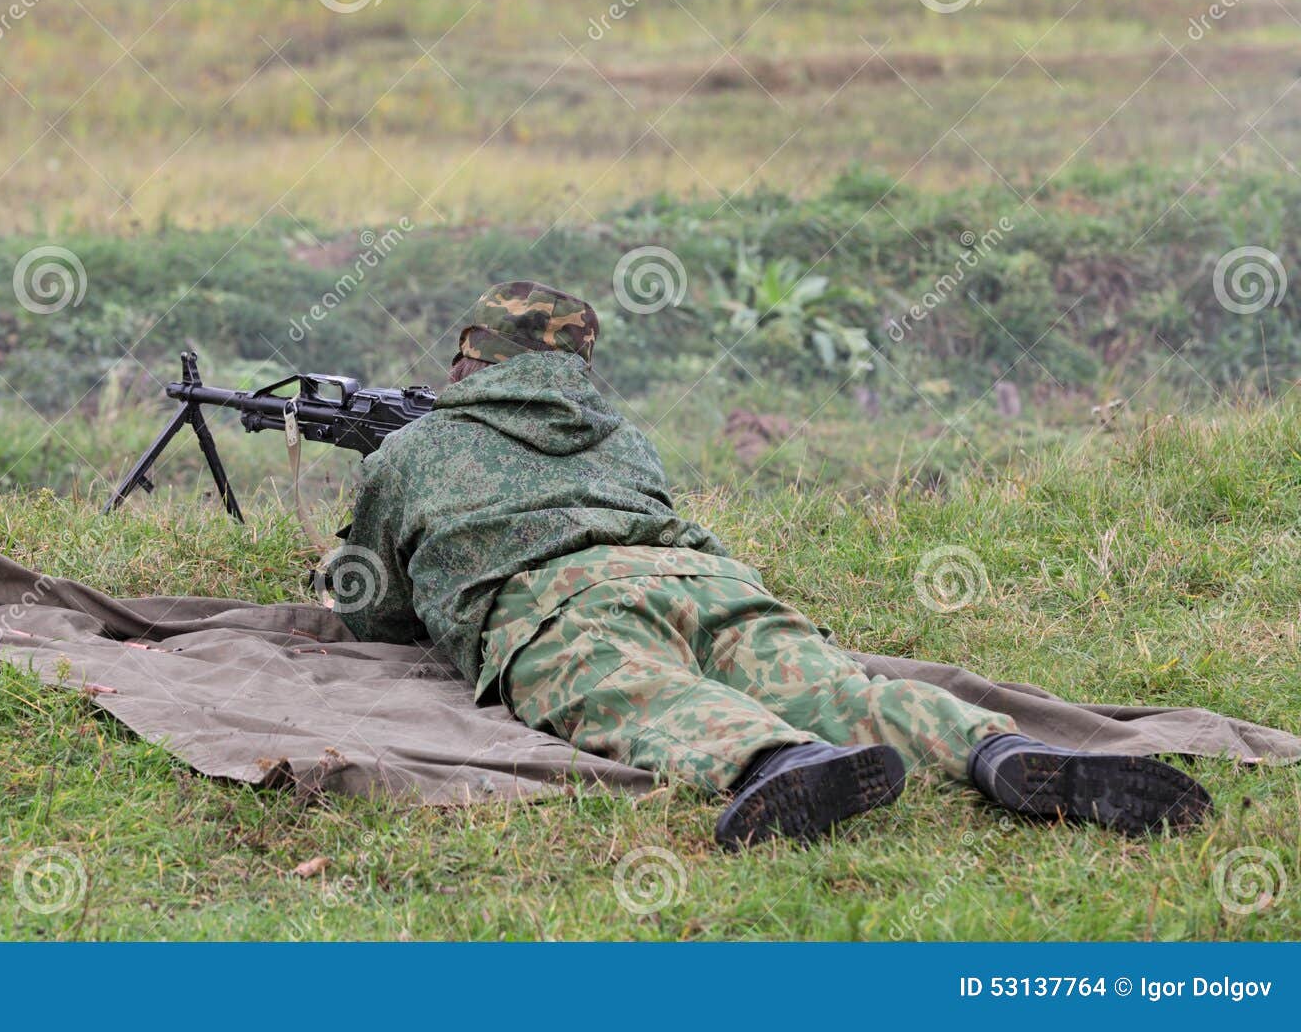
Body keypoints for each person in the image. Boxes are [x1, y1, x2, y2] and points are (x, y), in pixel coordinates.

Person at [330, 281, 1212, 848]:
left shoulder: (416, 449)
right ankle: (998, 747)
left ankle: (776, 762)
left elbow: (374, 609)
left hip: (560, 608)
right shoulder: (623, 437)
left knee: (650, 695)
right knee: (845, 686)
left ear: (471, 359)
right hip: (703, 579)